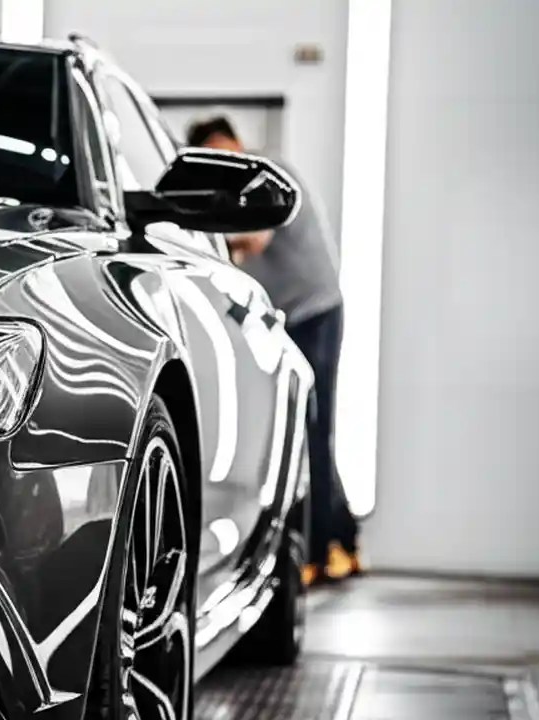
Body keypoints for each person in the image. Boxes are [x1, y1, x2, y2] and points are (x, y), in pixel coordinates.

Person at [187, 116, 361, 585]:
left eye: (222, 150)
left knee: (314, 430)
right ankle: (345, 539)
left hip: (316, 312)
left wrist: (196, 235)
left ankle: (319, 554)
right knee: (308, 432)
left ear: (234, 143)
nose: (223, 160)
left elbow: (253, 239)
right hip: (290, 318)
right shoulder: (237, 188)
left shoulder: (262, 174)